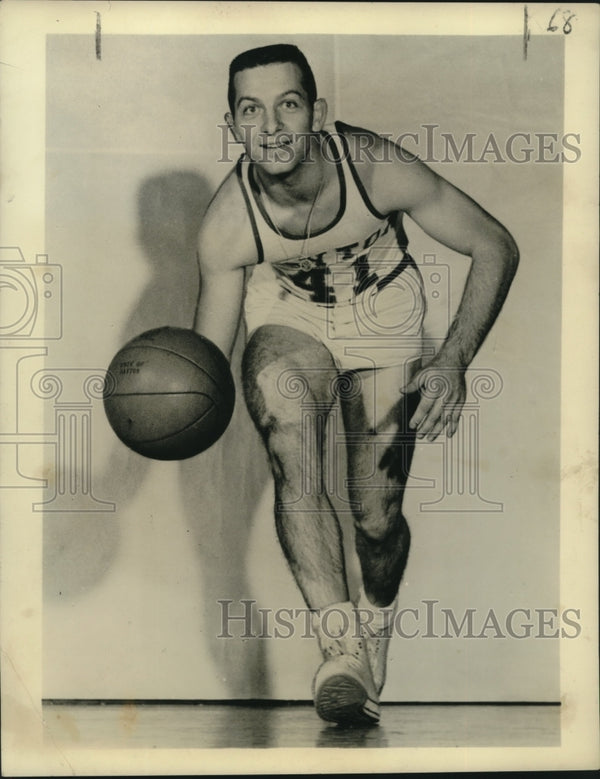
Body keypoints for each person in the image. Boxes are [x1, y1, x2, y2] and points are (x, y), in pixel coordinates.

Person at [194, 43, 519, 725]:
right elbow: (204, 367)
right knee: (290, 447)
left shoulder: (372, 166)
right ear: (232, 126)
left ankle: (374, 622)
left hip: (384, 313)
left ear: (318, 112)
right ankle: (341, 651)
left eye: (287, 105)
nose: (271, 127)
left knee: (375, 518)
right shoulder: (227, 226)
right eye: (251, 111)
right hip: (292, 319)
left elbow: (494, 243)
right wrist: (171, 406)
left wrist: (452, 360)